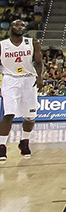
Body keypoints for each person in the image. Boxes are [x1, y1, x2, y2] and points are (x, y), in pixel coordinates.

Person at [0, 19, 43, 161]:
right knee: (9, 114)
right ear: (10, 27)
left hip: (29, 79)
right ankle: (1, 146)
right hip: (10, 79)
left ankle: (24, 142)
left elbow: (38, 61)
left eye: (22, 25)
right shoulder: (2, 45)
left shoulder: (32, 43)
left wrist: (40, 77)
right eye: (17, 25)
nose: (20, 27)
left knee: (30, 116)